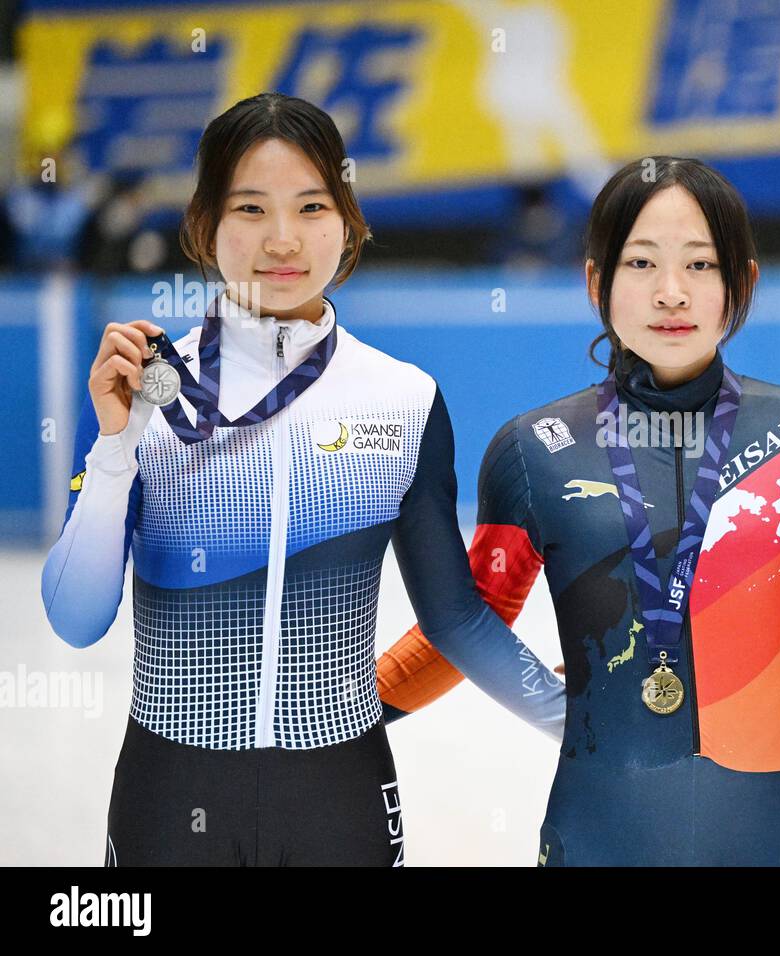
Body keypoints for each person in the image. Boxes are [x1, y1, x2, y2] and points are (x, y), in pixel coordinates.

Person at [40, 92, 562, 867]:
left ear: (347, 221)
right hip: (168, 788)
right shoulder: (147, 388)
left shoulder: (403, 399)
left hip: (340, 796)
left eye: (311, 206)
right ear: (203, 225)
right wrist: (115, 449)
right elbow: (76, 619)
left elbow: (456, 620)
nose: (282, 239)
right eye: (250, 208)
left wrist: (583, 718)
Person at [376, 156, 780, 866]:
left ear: (744, 283)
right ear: (596, 282)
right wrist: (355, 712)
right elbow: (466, 618)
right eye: (641, 264)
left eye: (701, 266)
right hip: (595, 833)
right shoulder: (533, 452)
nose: (671, 293)